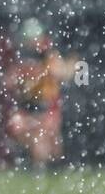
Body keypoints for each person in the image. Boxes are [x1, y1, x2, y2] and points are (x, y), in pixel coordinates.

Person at [5, 18, 75, 168]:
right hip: (27, 107)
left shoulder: (49, 57)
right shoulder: (21, 58)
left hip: (46, 107)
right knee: (28, 135)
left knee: (47, 145)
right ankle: (39, 167)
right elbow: (10, 81)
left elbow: (62, 73)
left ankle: (45, 168)